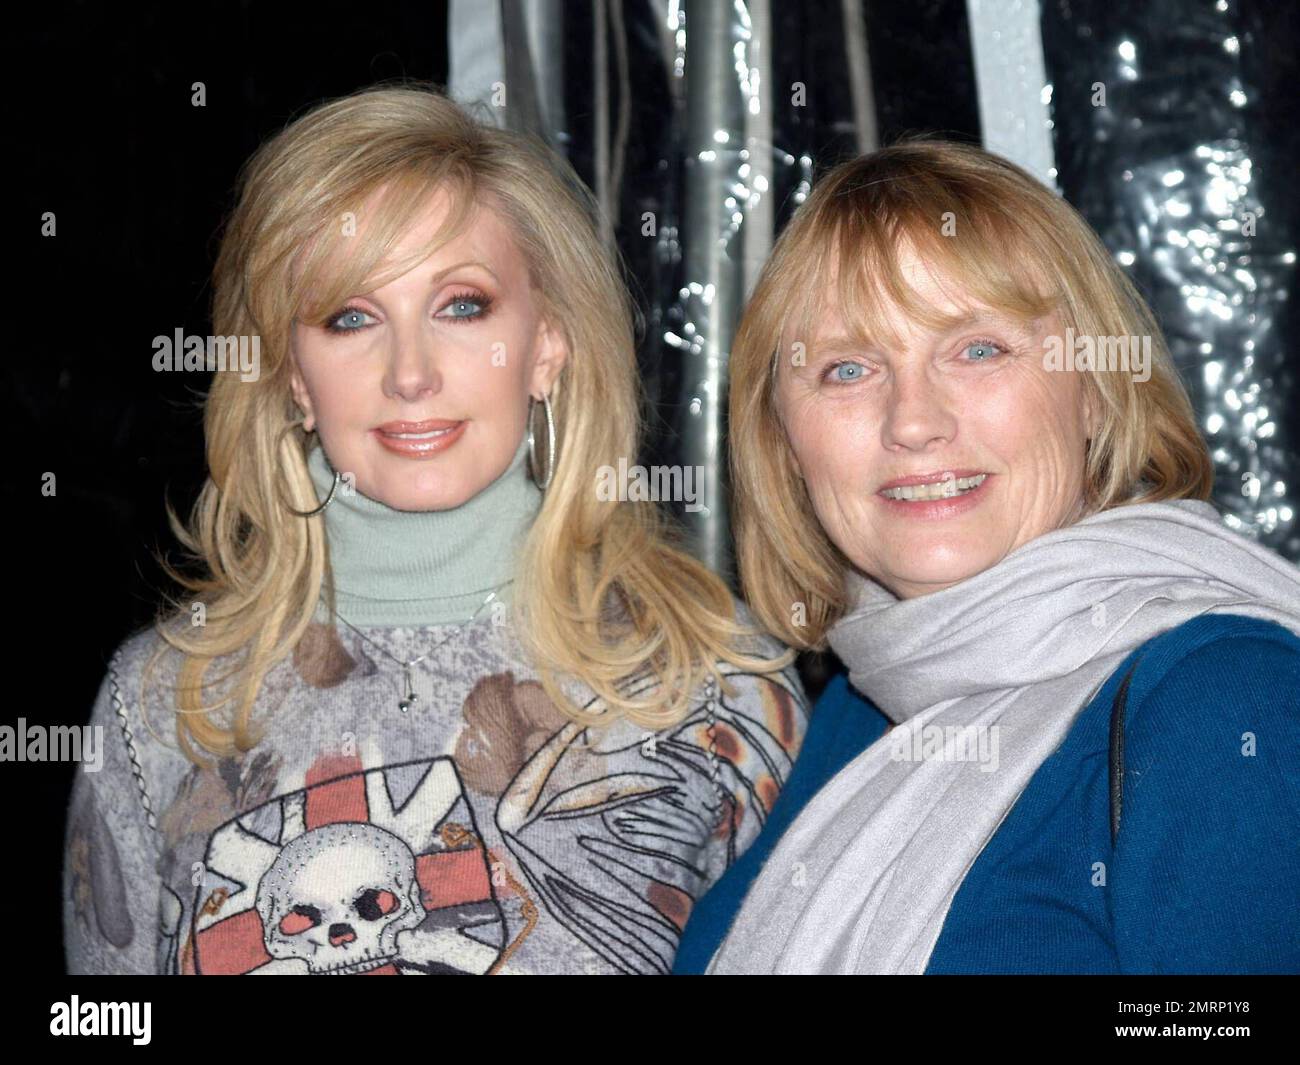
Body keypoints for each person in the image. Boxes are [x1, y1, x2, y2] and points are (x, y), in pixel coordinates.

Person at [63, 83, 807, 976]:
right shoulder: (162, 702)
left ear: (548, 342)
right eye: (350, 317)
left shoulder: (714, 684)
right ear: (294, 375)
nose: (410, 373)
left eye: (461, 306)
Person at [675, 139, 1300, 975]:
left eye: (978, 349)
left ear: (1097, 392)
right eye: (848, 367)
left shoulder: (1222, 696)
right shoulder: (858, 714)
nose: (913, 421)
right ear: (783, 443)